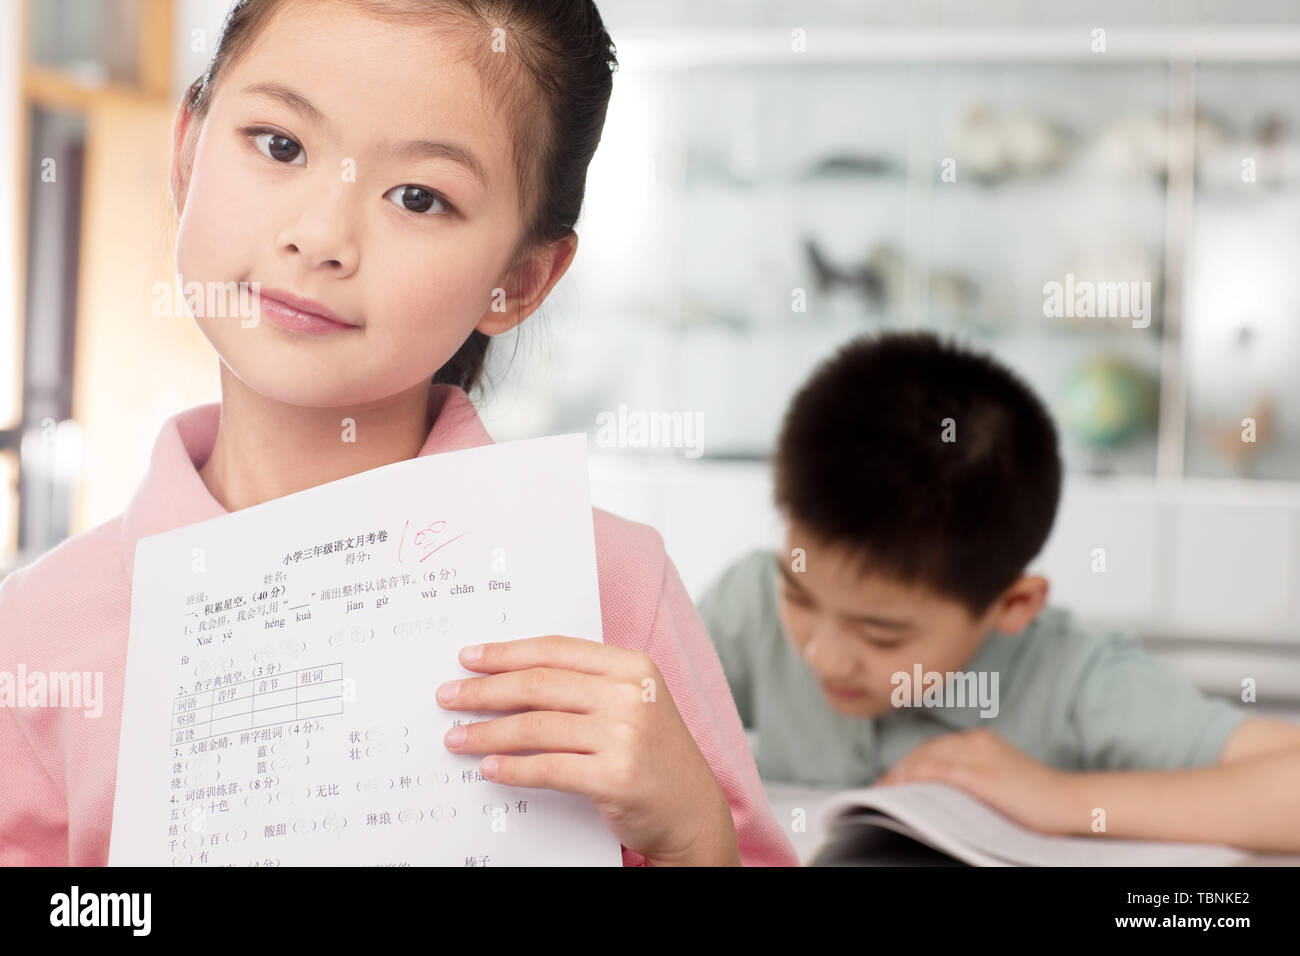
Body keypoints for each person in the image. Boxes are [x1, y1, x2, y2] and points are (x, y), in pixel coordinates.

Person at [0, 0, 797, 868]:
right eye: (279, 145)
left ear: (520, 279)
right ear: (188, 151)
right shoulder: (39, 638)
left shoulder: (615, 594)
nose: (321, 237)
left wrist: (693, 838)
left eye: (419, 197)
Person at [698, 330, 1300, 851]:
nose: (822, 654)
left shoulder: (1077, 680)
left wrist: (1065, 797)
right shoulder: (750, 602)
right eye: (798, 596)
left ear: (1013, 605)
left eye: (881, 634)